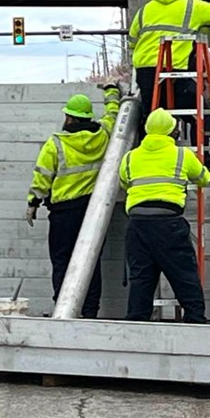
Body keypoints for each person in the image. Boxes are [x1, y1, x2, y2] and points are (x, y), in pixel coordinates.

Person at [26, 83, 123, 318]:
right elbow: (113, 113)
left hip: (63, 213)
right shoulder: (103, 135)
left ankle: (63, 308)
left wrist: (32, 202)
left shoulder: (57, 143)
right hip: (92, 210)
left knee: (62, 261)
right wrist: (111, 91)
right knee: (91, 261)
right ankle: (90, 312)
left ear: (69, 118)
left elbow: (42, 176)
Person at [128, 0, 210, 171]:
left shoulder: (145, 10)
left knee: (152, 121)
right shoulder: (192, 7)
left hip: (146, 72)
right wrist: (200, 26)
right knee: (200, 114)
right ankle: (203, 164)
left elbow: (132, 41)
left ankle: (148, 167)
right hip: (172, 72)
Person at [120, 108, 210, 323]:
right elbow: (204, 178)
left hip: (137, 225)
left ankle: (135, 326)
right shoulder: (182, 155)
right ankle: (195, 321)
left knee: (141, 280)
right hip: (168, 224)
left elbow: (124, 182)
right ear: (173, 133)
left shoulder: (130, 157)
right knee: (184, 276)